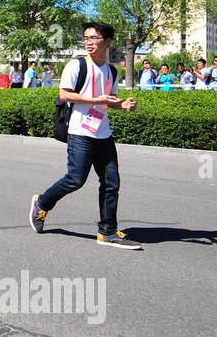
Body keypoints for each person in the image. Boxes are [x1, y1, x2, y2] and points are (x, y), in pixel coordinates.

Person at [30, 22, 140, 249]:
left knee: (111, 183)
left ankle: (107, 231)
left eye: (94, 38)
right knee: (75, 179)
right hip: (80, 132)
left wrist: (124, 105)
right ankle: (42, 202)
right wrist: (98, 100)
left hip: (103, 133)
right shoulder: (76, 65)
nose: (89, 42)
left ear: (108, 42)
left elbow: (109, 102)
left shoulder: (111, 70)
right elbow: (65, 94)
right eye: (86, 38)